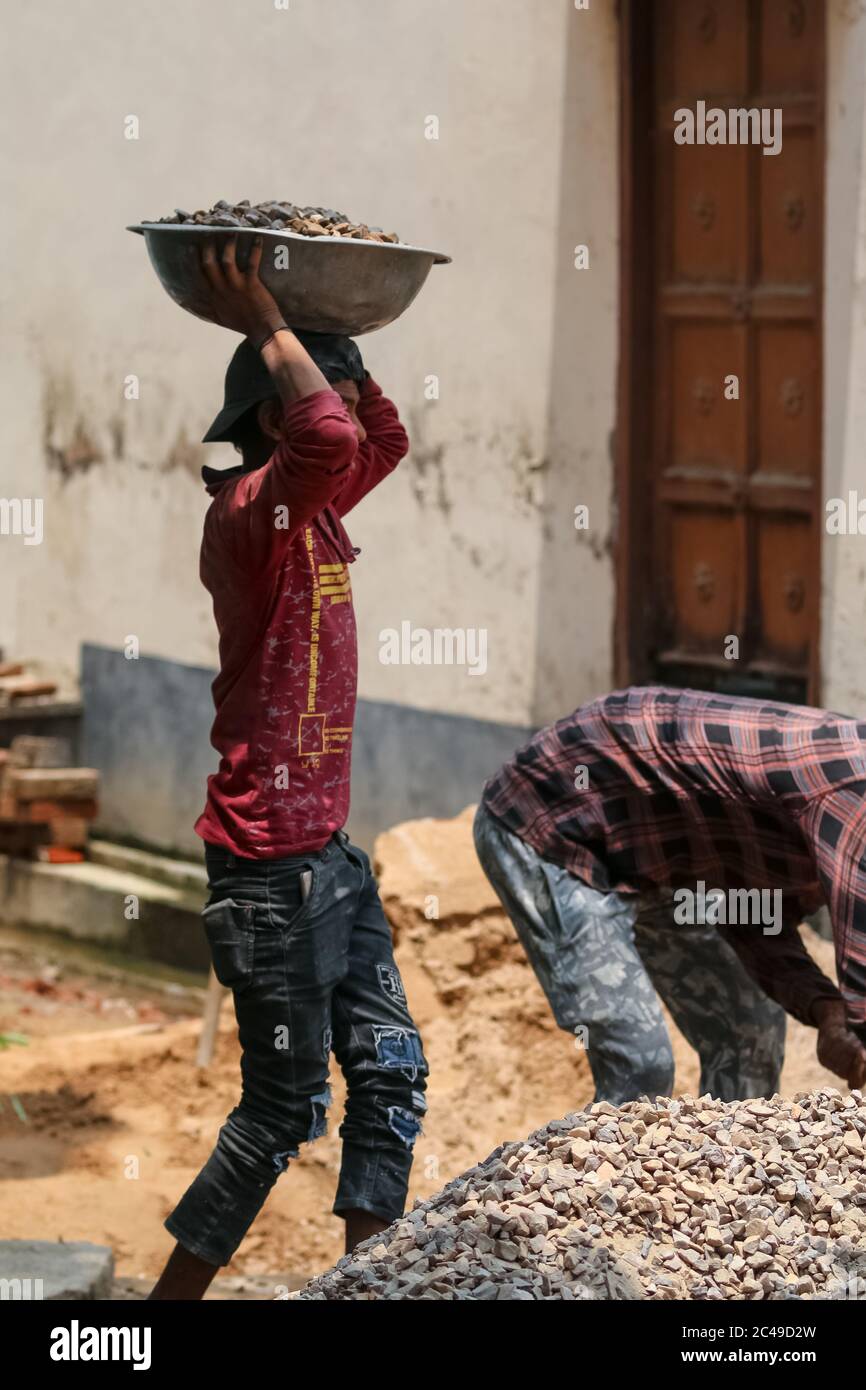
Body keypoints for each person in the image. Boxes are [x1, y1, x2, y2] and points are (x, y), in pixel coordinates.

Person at [149, 236, 427, 1300]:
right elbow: (323, 431)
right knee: (277, 1112)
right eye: (325, 402)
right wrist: (268, 316)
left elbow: (379, 434)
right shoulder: (253, 516)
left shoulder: (313, 511)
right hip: (268, 875)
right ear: (273, 422)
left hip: (329, 863)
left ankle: (366, 1283)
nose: (348, 424)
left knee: (393, 1071)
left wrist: (339, 323)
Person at [473, 685, 866, 1107]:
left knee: (750, 1032)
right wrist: (854, 1022)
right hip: (556, 822)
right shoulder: (852, 798)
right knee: (641, 1066)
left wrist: (824, 1008)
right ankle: (595, 1172)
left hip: (666, 855)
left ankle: (726, 1170)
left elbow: (749, 916)